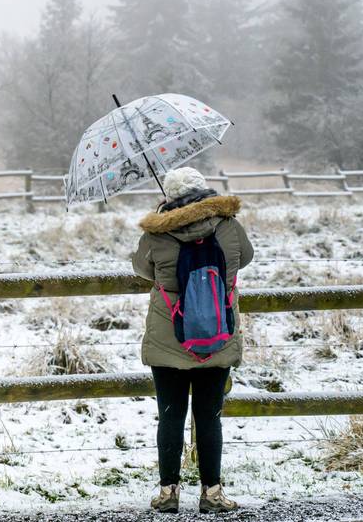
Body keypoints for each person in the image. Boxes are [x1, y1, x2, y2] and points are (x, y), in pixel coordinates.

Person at [131, 167, 253, 514]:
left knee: (170, 416)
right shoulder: (228, 225)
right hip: (218, 333)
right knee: (209, 416)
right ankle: (212, 493)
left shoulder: (158, 233)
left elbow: (142, 268)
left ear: (170, 196)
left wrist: (163, 221)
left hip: (169, 336)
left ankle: (168, 493)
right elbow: (246, 257)